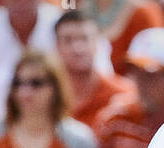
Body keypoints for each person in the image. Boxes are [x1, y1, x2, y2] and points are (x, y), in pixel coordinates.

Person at [53, 7, 134, 136]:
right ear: (56, 46)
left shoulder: (123, 94)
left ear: (97, 43)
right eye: (68, 40)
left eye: (84, 39)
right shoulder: (46, 95)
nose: (77, 48)